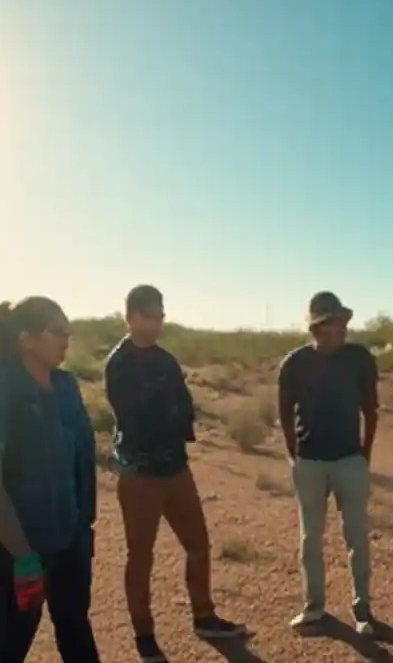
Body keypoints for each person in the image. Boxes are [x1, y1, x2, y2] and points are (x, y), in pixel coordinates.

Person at [106, 284, 247, 663]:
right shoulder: (119, 363)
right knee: (141, 556)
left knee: (198, 545)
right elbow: (134, 416)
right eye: (149, 316)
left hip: (175, 468)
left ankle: (204, 616)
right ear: (131, 317)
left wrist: (179, 424)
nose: (156, 323)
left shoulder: (166, 361)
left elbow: (184, 407)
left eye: (160, 316)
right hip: (139, 474)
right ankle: (144, 634)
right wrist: (167, 420)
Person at [0, 297, 100, 663]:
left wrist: (84, 526)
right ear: (26, 339)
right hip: (18, 548)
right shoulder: (0, 394)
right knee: (11, 641)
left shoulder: (67, 387)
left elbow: (82, 460)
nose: (66, 339)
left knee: (75, 630)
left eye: (68, 332)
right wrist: (23, 557)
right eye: (57, 332)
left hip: (69, 539)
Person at [278, 291, 379, 635]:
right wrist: (294, 453)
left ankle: (362, 607)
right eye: (332, 325)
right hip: (309, 462)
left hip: (350, 459)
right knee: (311, 539)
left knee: (357, 536)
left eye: (342, 325)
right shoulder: (294, 364)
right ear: (316, 328)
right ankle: (314, 607)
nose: (340, 331)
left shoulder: (359, 359)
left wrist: (365, 453)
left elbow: (371, 408)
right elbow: (284, 414)